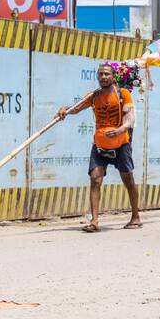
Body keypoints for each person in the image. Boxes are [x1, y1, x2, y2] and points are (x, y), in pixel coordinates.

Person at [57, 63, 141, 232]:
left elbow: (130, 117)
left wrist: (120, 129)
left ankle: (135, 217)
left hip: (121, 143)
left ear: (113, 76)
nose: (103, 77)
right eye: (101, 74)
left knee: (128, 180)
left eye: (107, 74)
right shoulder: (94, 96)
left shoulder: (122, 94)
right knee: (95, 179)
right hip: (100, 143)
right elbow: (77, 108)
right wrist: (65, 110)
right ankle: (94, 221)